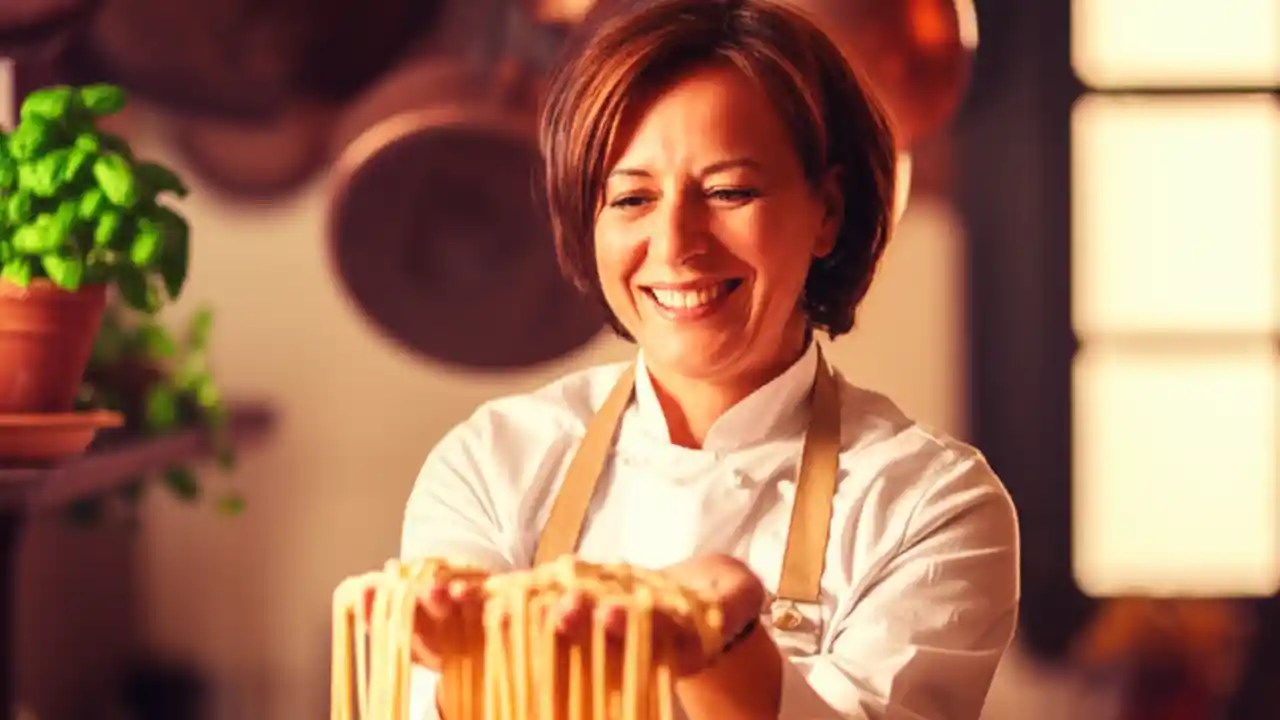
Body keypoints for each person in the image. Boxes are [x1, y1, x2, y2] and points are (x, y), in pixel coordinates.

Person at [399, 0, 1020, 717]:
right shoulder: (492, 463)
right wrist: (462, 658)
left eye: (728, 191)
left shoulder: (928, 506)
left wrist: (724, 651)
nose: (676, 246)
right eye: (631, 198)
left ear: (828, 212)